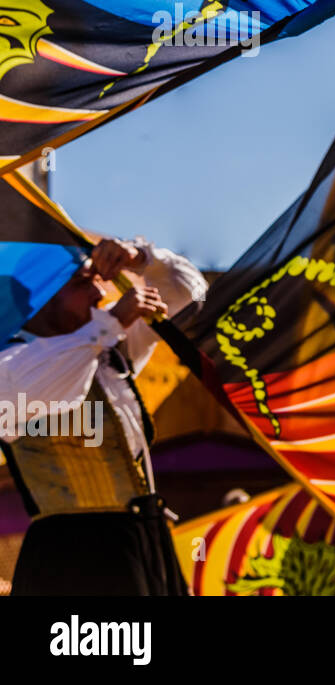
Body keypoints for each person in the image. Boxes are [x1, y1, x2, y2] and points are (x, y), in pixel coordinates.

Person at [0, 235, 206, 595]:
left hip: (144, 542)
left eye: (98, 278)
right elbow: (37, 388)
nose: (100, 292)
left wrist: (138, 258)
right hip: (71, 558)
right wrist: (110, 324)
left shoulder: (109, 350)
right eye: (84, 281)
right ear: (42, 295)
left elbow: (189, 291)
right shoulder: (14, 364)